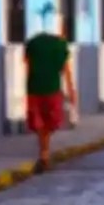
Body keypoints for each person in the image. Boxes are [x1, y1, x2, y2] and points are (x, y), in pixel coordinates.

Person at [24, 28, 77, 174]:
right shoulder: (60, 47)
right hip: (52, 90)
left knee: (39, 123)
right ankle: (44, 153)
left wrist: (27, 88)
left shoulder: (33, 44)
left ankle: (44, 152)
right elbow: (66, 71)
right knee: (50, 122)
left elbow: (27, 65)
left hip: (34, 88)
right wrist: (71, 91)